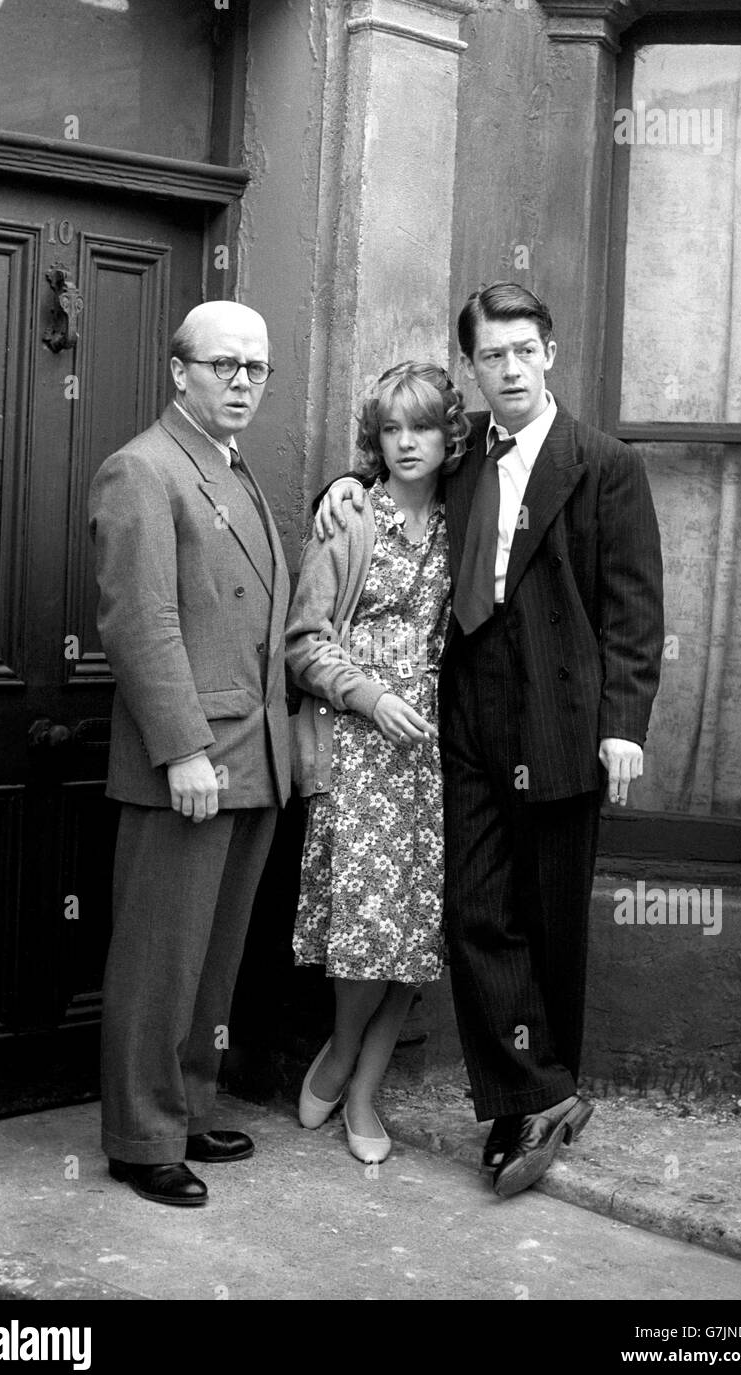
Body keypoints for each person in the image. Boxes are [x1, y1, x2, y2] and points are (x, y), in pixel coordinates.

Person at [316, 284, 664, 1196]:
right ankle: (536, 1095)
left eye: (522, 351)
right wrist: (341, 489)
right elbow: (399, 465)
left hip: (561, 721)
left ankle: (529, 1103)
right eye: (490, 356)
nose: (508, 369)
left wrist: (624, 725)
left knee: (548, 916)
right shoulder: (467, 448)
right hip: (467, 716)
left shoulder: (605, 465)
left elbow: (633, 608)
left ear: (549, 352)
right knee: (474, 912)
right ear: (471, 367)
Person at [88, 300, 290, 1207]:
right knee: (159, 960)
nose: (242, 382)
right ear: (180, 372)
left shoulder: (232, 467)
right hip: (193, 762)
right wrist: (181, 752)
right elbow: (141, 623)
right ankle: (140, 1135)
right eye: (224, 366)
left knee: (215, 955)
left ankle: (189, 1104)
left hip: (254, 756)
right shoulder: (142, 468)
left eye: (256, 369)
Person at [286, 362, 468, 1163]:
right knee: (365, 931)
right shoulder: (353, 519)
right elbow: (302, 642)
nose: (404, 444)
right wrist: (368, 696)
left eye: (420, 428)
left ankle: (366, 1087)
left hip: (435, 756)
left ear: (447, 435)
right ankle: (339, 1050)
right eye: (389, 430)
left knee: (416, 936)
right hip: (358, 751)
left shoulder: (469, 522)